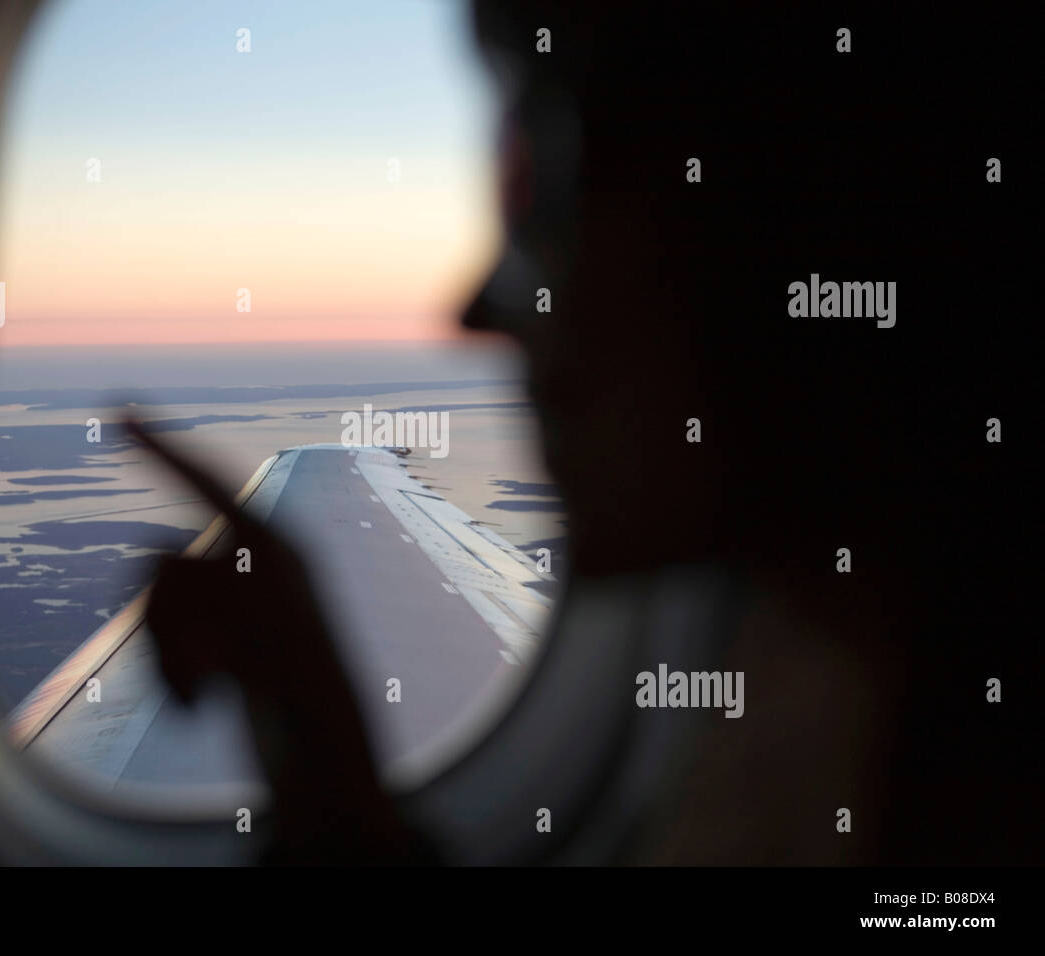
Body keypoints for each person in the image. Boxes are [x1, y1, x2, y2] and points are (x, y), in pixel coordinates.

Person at [133, 3, 1036, 864]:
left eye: (536, 189)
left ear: (787, 195)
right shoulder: (841, 697)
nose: (474, 309)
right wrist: (333, 795)